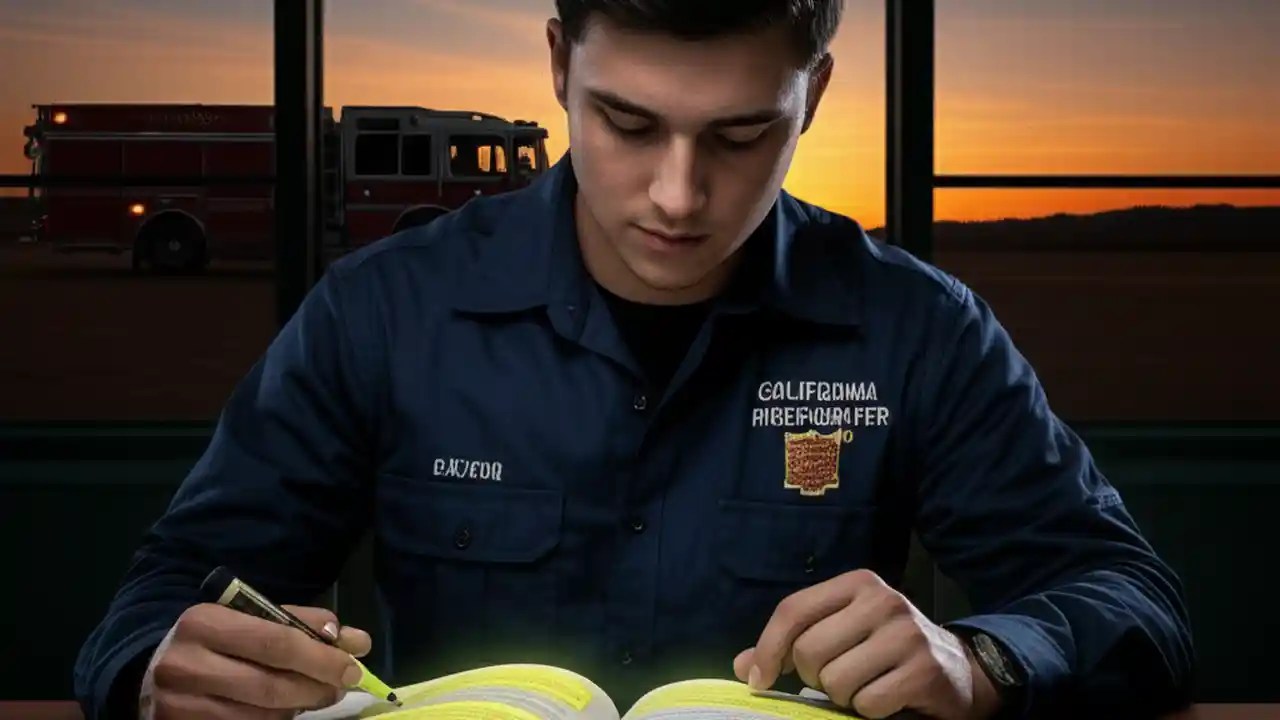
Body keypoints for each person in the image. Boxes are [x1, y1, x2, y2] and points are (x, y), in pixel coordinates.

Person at [74, 1, 1196, 718]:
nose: (676, 195)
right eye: (625, 122)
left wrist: (980, 662)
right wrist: (159, 672)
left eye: (739, 135)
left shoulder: (918, 326)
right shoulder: (380, 312)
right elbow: (153, 608)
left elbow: (1131, 600)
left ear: (817, 92)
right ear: (559, 65)